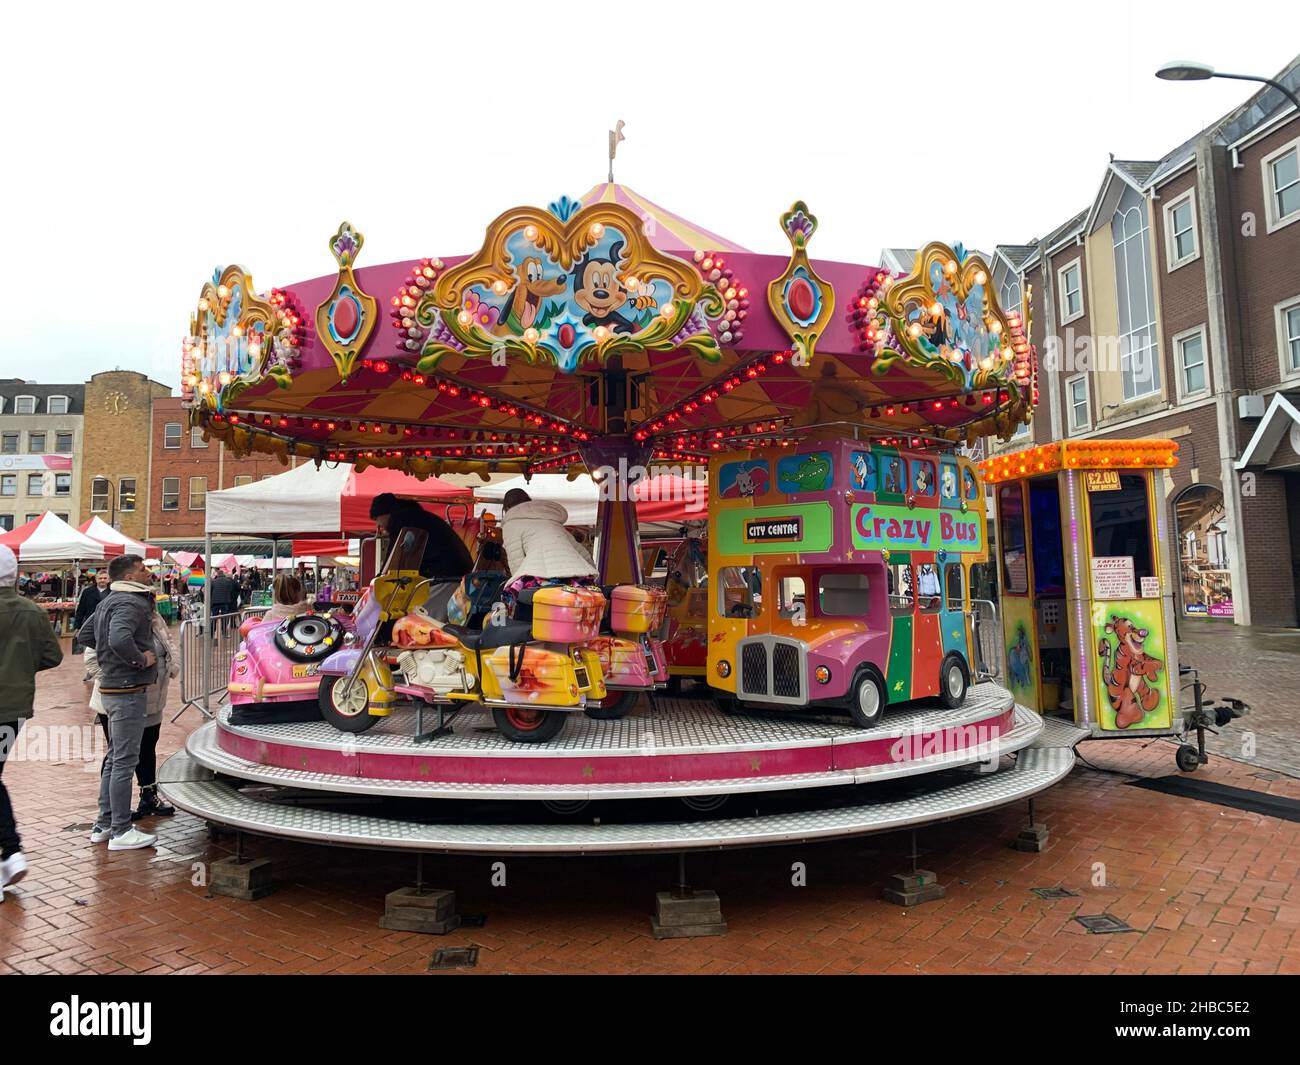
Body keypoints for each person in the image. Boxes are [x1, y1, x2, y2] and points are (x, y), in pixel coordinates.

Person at [81, 553, 160, 851]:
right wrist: (140, 660)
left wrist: (108, 663)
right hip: (127, 689)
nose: (147, 572)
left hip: (113, 687)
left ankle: (104, 823)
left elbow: (86, 633)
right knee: (125, 761)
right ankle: (121, 830)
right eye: (142, 569)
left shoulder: (109, 601)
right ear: (129, 577)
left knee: (115, 759)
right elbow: (117, 638)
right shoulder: (130, 602)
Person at [0, 545, 64, 899]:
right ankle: (10, 852)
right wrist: (21, 668)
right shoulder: (31, 611)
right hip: (14, 706)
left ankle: (11, 850)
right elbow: (52, 656)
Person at [88, 599, 177, 821]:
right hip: (120, 698)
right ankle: (113, 812)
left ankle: (149, 795)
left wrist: (173, 667)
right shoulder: (111, 614)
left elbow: (169, 644)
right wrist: (122, 681)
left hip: (152, 698)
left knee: (148, 747)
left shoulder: (155, 619)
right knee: (119, 755)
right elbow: (92, 660)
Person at [369, 492, 472, 619]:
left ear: (383, 514)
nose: (379, 525)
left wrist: (381, 578)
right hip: (458, 575)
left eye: (376, 519)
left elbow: (395, 557)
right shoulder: (416, 517)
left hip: (445, 578)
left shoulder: (401, 521)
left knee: (423, 623)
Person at [499, 489, 598, 612]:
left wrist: (516, 584)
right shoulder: (550, 520)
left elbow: (516, 561)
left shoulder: (511, 524)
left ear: (507, 507)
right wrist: (593, 575)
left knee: (511, 601)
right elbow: (581, 552)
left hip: (539, 580)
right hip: (578, 579)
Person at [73, 568, 110, 642]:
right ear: (96, 579)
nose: (102, 580)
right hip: (91, 624)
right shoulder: (87, 592)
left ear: (109, 579)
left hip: (108, 625)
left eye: (105, 578)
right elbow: (81, 610)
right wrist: (77, 627)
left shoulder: (113, 592)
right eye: (100, 578)